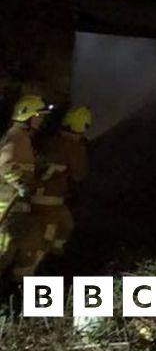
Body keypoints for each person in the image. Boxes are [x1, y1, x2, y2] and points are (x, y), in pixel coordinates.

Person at [11, 105, 91, 279]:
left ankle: (47, 264)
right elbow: (79, 174)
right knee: (42, 242)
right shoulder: (75, 147)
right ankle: (25, 279)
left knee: (64, 225)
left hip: (38, 199)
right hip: (49, 205)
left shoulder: (51, 141)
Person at [0, 95, 52, 278]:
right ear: (27, 116)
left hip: (17, 205)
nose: (41, 120)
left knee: (31, 241)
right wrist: (20, 184)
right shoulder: (17, 136)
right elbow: (4, 164)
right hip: (7, 205)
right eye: (39, 116)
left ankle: (18, 283)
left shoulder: (23, 137)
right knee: (4, 251)